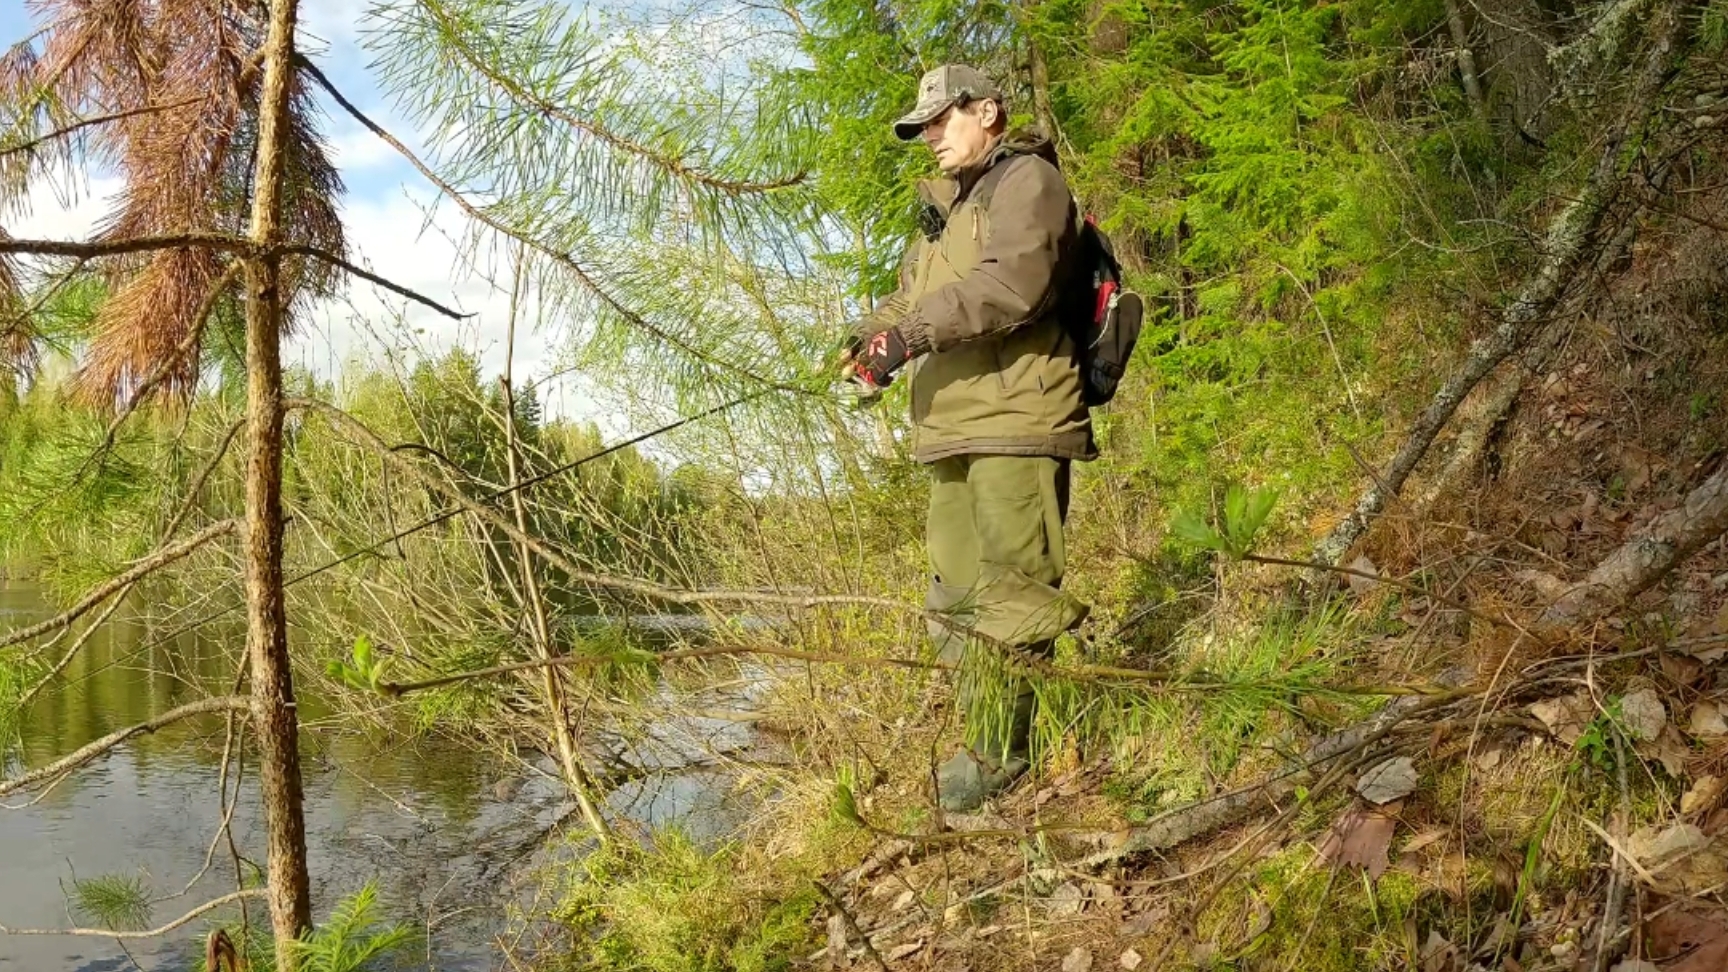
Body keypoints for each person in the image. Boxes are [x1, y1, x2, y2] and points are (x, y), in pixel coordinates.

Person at [840, 64, 1093, 812]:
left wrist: (910, 335)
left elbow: (1013, 285)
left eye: (941, 120)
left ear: (987, 111)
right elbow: (905, 300)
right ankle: (997, 732)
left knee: (1012, 596)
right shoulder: (943, 217)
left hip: (1018, 420)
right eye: (921, 128)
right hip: (949, 427)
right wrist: (865, 339)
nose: (930, 138)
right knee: (953, 600)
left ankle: (1003, 754)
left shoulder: (1029, 185)